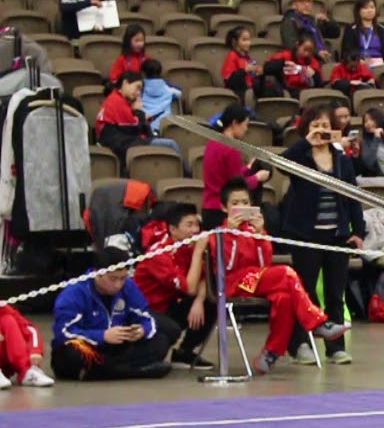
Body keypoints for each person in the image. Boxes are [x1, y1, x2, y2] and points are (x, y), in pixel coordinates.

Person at [217, 178, 349, 373]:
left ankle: (271, 352)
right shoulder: (221, 232)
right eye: (235, 204)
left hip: (257, 279)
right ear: (224, 207)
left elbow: (264, 263)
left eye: (245, 203)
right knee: (287, 272)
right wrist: (232, 233)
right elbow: (227, 265)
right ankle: (316, 321)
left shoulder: (254, 230)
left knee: (284, 298)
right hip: (234, 282)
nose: (241, 207)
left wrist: (261, 233)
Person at [280, 107, 365, 365]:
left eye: (324, 124)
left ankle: (335, 347)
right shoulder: (301, 156)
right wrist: (306, 143)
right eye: (315, 124)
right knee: (304, 291)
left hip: (337, 234)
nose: (320, 129)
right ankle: (299, 345)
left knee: (335, 292)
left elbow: (353, 197)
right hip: (306, 234)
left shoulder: (342, 159)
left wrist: (358, 230)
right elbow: (281, 164)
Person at [50, 247, 172, 381]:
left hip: (117, 347)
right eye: (113, 279)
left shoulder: (128, 286)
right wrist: (102, 336)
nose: (118, 285)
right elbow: (64, 332)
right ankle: (133, 371)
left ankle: (107, 371)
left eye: (122, 278)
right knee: (70, 354)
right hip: (90, 347)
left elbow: (145, 315)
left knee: (160, 341)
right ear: (97, 273)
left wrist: (142, 330)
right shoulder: (74, 292)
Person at [133, 203, 216, 370]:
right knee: (166, 339)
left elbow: (202, 278)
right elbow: (189, 288)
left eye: (197, 225)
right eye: (189, 225)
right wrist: (199, 252)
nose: (195, 230)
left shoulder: (187, 246)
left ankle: (184, 352)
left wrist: (199, 301)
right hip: (146, 311)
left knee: (211, 301)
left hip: (170, 304)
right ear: (173, 229)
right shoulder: (159, 254)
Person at [95, 71, 184, 167]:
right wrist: (138, 111)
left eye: (140, 90)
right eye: (137, 87)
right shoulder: (117, 101)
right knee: (170, 144)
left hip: (122, 141)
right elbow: (135, 129)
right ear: (125, 83)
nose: (138, 93)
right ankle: (187, 175)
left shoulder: (116, 98)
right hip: (119, 143)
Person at [202, 103, 270, 229]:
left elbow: (227, 173)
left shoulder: (212, 142)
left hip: (208, 207)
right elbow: (236, 185)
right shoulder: (231, 149)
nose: (246, 129)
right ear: (235, 123)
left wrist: (248, 168)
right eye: (245, 124)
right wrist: (257, 178)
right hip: (222, 210)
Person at [0, 304, 54, 389]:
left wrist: (35, 350)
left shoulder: (4, 309)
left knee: (8, 320)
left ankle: (26, 371)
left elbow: (30, 330)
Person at [280, 0, 341, 64]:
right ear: (294, 5)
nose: (307, 4)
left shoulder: (312, 20)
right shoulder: (290, 21)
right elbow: (291, 45)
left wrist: (327, 21)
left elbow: (335, 33)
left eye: (309, 1)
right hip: (305, 61)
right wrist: (317, 52)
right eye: (302, 1)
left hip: (323, 60)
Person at [341, 0, 384, 69]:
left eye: (372, 7)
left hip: (380, 65)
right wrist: (359, 61)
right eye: (365, 8)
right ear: (358, 11)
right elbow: (346, 52)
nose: (370, 10)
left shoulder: (381, 29)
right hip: (359, 65)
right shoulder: (351, 29)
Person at [221, 27, 262, 102]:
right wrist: (245, 70)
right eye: (244, 40)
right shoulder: (232, 55)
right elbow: (230, 81)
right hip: (237, 94)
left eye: (249, 40)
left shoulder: (248, 58)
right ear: (234, 41)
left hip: (249, 93)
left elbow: (252, 78)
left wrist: (258, 73)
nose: (248, 43)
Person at [140, 59, 180, 132]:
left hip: (145, 127)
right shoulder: (168, 89)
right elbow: (179, 93)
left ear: (143, 73)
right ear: (160, 72)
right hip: (164, 127)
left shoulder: (139, 89)